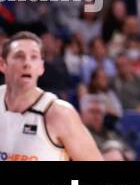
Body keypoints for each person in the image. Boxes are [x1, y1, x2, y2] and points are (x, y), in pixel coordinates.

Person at [0, 31, 103, 161]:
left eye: (34, 57)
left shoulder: (59, 113)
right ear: (3, 65)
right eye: (19, 56)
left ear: (41, 67)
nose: (27, 63)